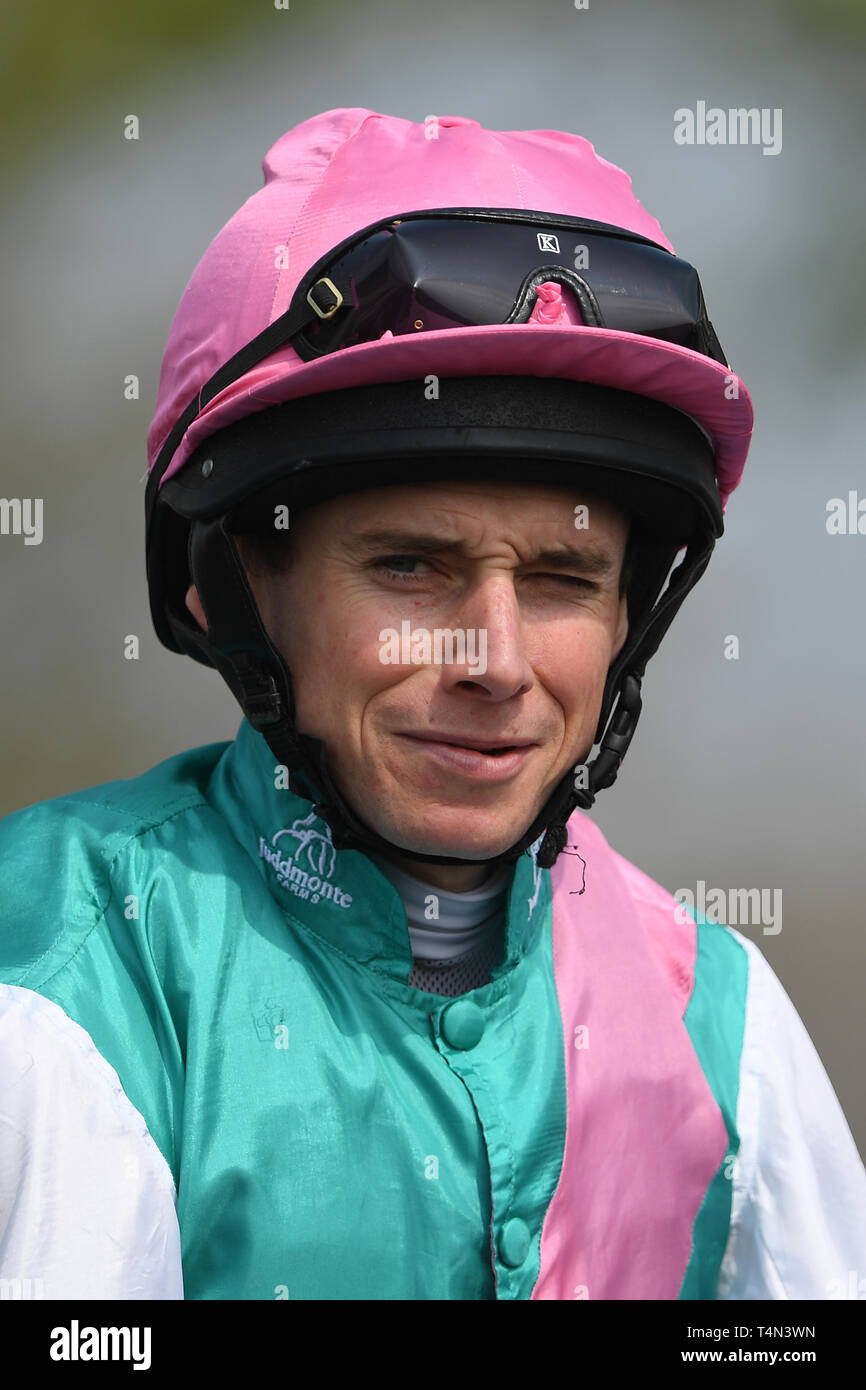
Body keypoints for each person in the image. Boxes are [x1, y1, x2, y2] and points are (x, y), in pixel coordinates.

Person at [1, 107, 864, 1302]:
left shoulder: (724, 1029)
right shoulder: (59, 983)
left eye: (562, 580)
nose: (495, 660)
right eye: (409, 566)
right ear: (230, 590)